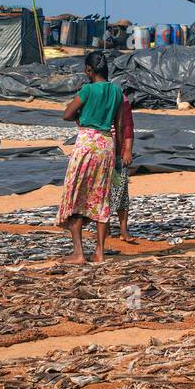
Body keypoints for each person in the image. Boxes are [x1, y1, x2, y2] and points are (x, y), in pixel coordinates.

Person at [57, 51, 123, 264]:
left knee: (76, 195)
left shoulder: (87, 90)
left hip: (87, 144)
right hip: (106, 145)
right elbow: (119, 125)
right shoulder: (116, 92)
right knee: (100, 197)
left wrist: (79, 115)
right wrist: (119, 153)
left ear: (89, 70)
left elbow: (67, 114)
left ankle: (78, 254)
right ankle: (100, 252)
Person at [109, 95, 135, 244]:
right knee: (102, 191)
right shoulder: (95, 96)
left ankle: (123, 229)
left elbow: (128, 126)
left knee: (121, 188)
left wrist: (128, 150)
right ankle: (105, 228)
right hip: (101, 151)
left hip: (119, 152)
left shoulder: (121, 99)